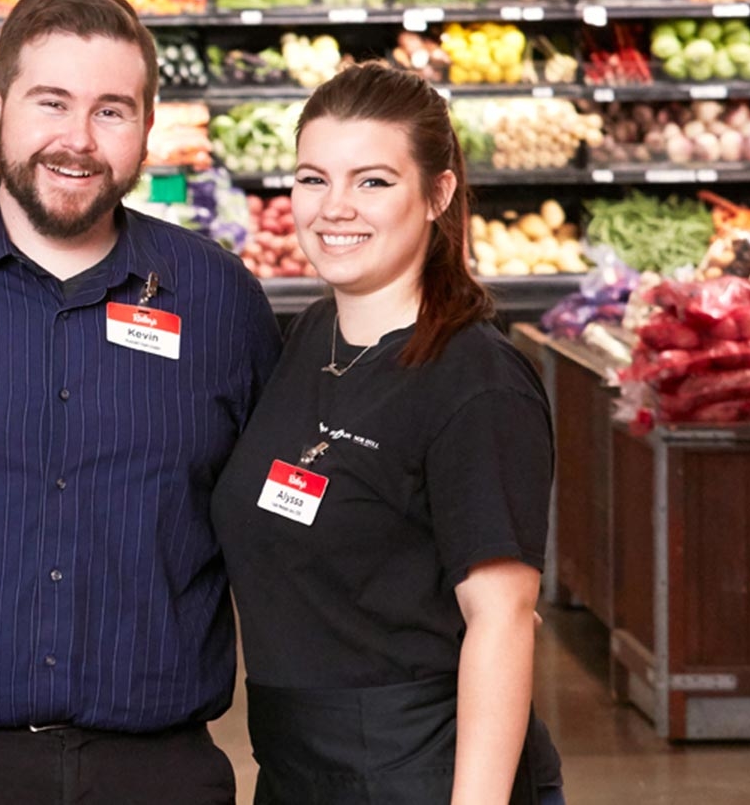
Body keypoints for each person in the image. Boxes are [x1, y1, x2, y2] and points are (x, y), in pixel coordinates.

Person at [0, 0, 281, 805]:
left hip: (159, 772)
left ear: (147, 126)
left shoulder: (218, 300)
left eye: (111, 110)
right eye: (50, 103)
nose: (77, 140)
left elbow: (285, 537)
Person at [211, 62, 562, 804]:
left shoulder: (476, 383)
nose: (333, 208)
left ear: (436, 194)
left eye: (371, 181)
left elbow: (501, 621)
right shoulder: (308, 337)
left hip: (422, 770)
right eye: (312, 179)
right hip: (297, 764)